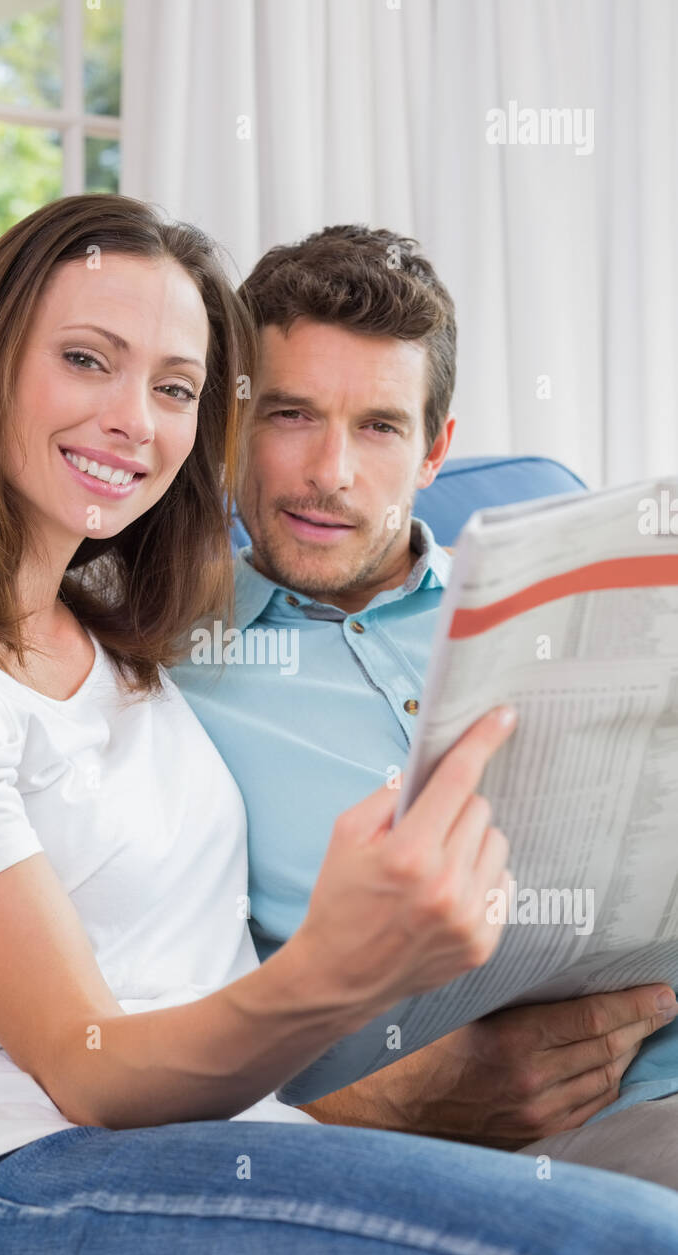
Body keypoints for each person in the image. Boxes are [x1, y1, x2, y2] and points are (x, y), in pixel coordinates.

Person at [0, 195, 677, 1255]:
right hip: (23, 1169)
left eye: (173, 387)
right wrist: (339, 968)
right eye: (87, 359)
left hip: (220, 1141)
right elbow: (85, 1065)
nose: (134, 419)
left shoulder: (122, 627)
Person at [172, 222, 678, 1188]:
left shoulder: (577, 611)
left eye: (379, 426)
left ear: (436, 449)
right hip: (506, 1156)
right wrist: (363, 1100)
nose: (331, 473)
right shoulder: (157, 668)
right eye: (290, 416)